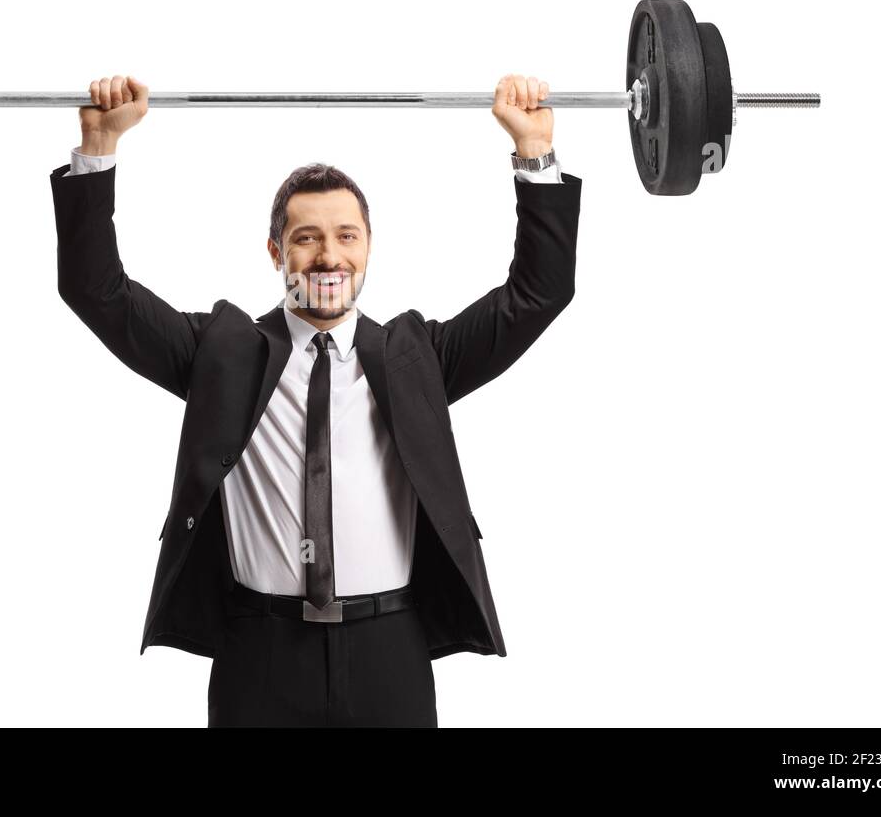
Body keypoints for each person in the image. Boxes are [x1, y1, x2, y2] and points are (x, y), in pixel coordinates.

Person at [49, 73, 582, 726]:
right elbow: (97, 291)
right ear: (277, 251)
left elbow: (537, 295)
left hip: (390, 650)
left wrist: (534, 155)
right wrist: (98, 149)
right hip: (261, 653)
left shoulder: (420, 357)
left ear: (367, 248)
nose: (328, 256)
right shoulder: (222, 352)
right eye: (306, 238)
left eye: (346, 236)